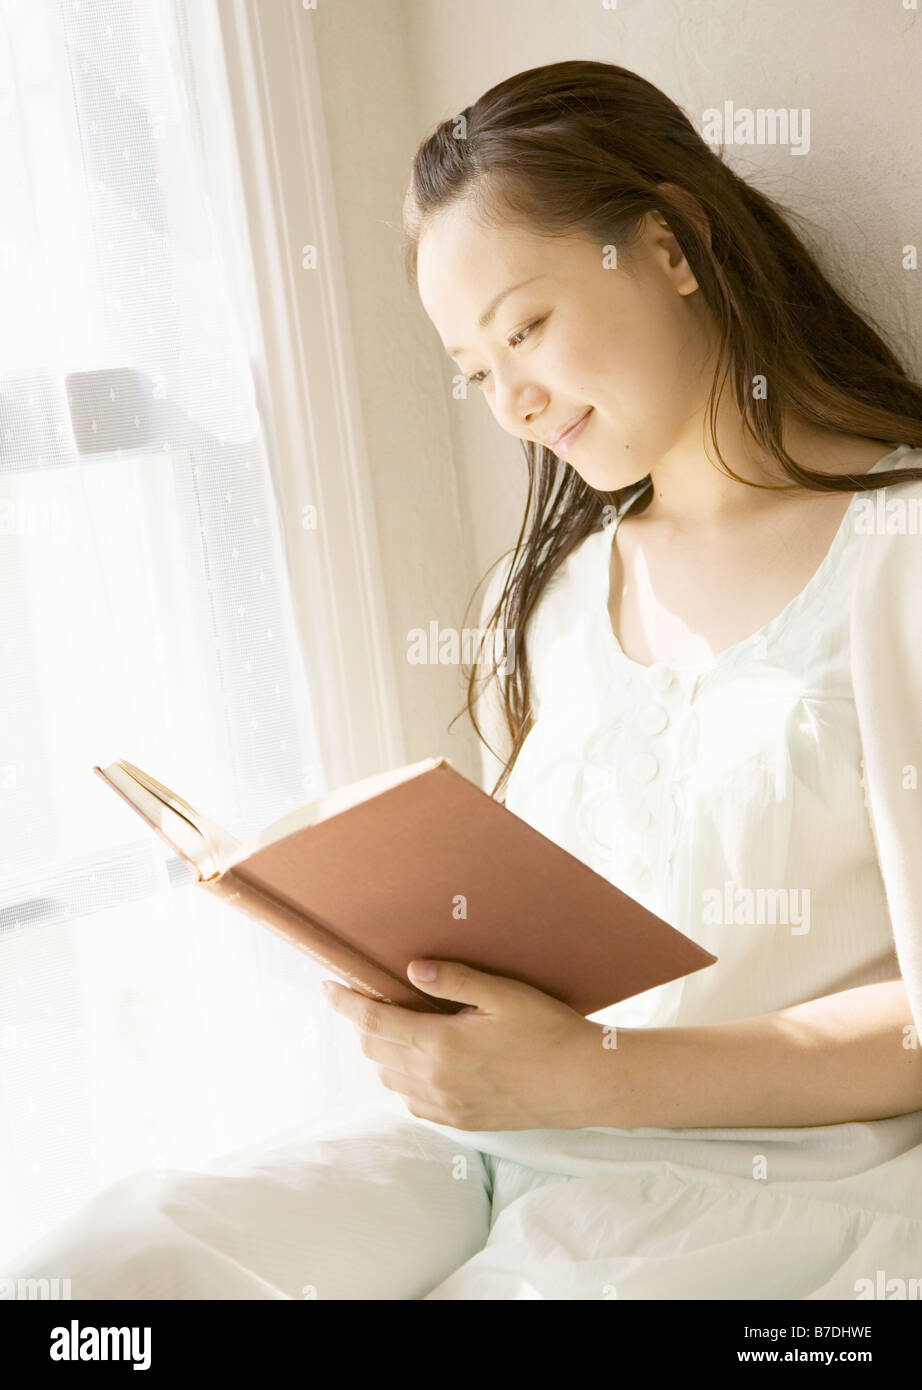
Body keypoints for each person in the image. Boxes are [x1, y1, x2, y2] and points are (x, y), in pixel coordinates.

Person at [6, 59, 922, 1300]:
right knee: (104, 1271)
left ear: (671, 243)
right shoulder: (544, 599)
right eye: (477, 369)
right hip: (491, 1148)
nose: (515, 401)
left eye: (524, 328)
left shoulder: (896, 554)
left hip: (776, 1177)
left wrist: (590, 1073)